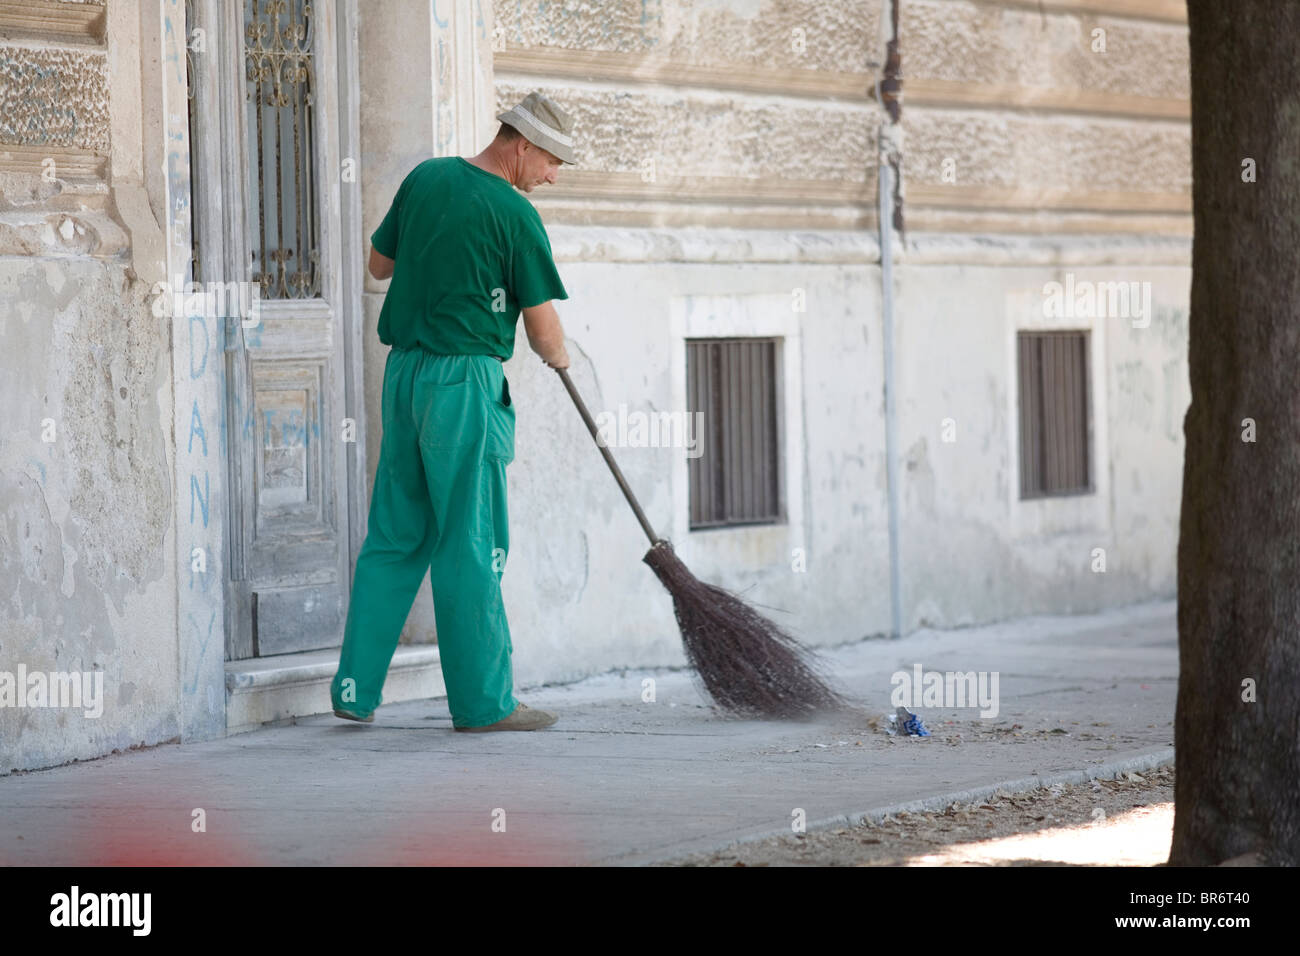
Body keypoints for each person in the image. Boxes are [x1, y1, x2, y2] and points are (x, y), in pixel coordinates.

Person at [329, 91, 577, 732]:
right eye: (551, 162)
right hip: (464, 381)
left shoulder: (425, 178)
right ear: (521, 145)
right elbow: (544, 332)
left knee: (394, 533)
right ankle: (484, 704)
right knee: (471, 539)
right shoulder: (516, 216)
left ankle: (354, 689)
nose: (550, 177)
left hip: (405, 372)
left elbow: (379, 265)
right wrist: (560, 359)